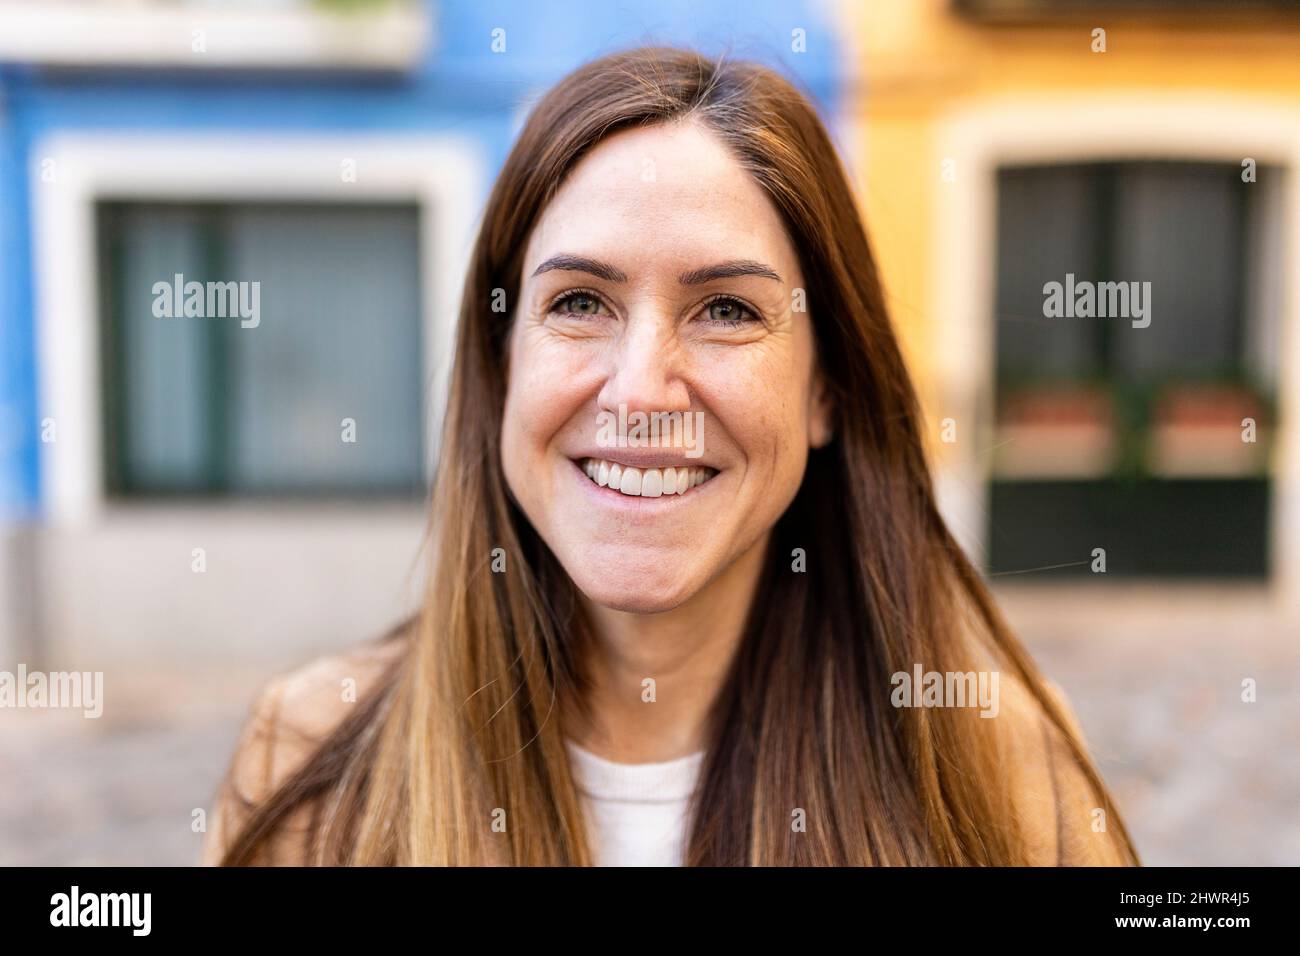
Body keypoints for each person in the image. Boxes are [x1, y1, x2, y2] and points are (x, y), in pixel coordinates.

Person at [202, 46, 1139, 867]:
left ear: (828, 389)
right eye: (579, 302)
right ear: (501, 363)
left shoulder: (1002, 775)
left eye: (727, 309)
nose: (640, 392)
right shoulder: (306, 766)